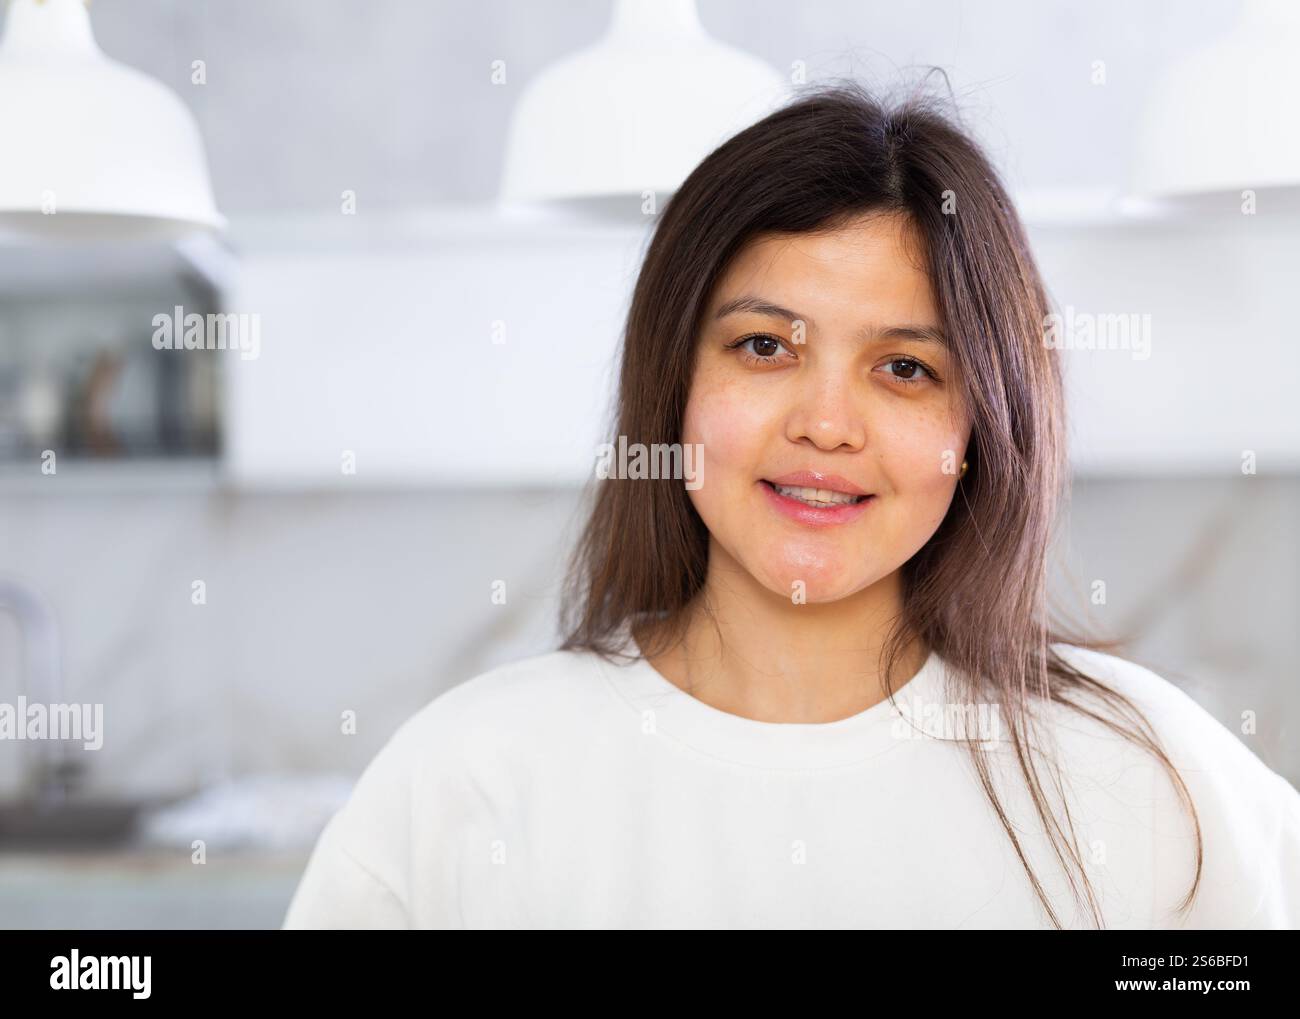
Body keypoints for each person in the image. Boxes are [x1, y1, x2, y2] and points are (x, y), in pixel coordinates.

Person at [282, 82, 1300, 929]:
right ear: (673, 379)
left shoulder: (1148, 780)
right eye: (765, 346)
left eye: (903, 367)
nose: (825, 423)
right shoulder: (465, 784)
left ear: (983, 427)